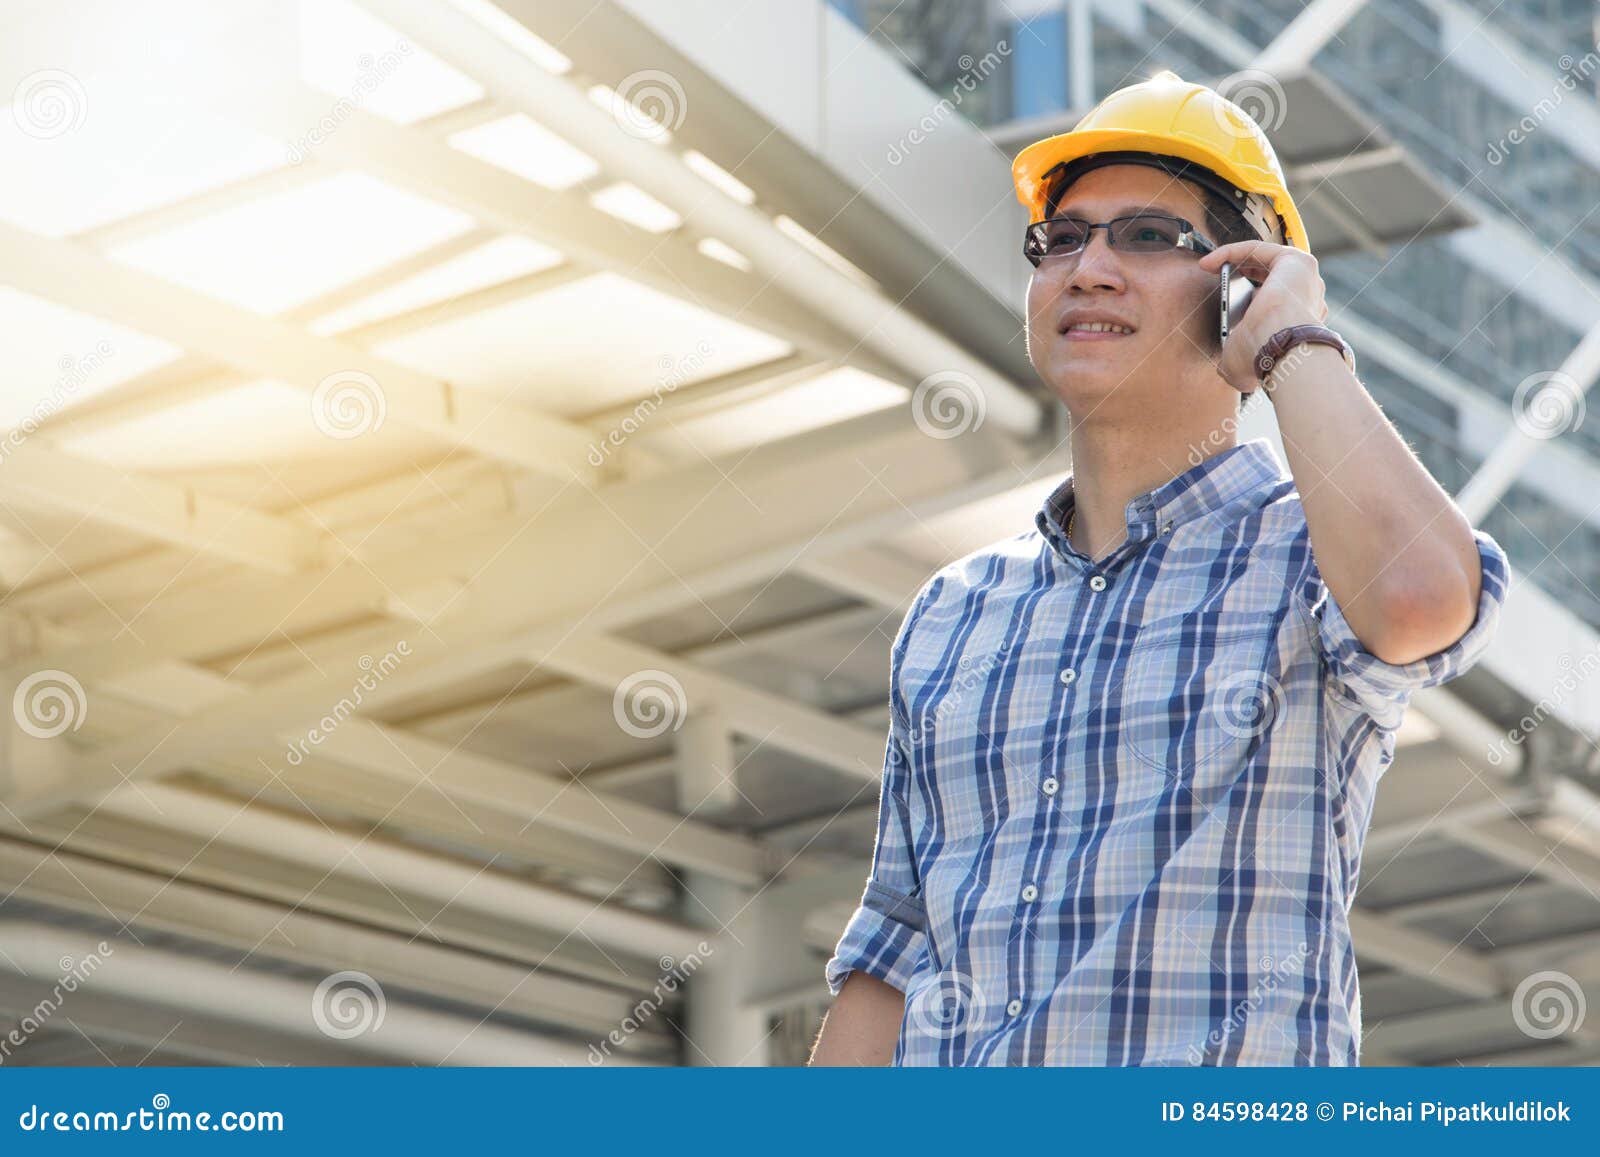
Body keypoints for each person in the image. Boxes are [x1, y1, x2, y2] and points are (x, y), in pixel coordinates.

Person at [808, 70, 1509, 1066]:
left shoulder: (1311, 554)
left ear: (1242, 287)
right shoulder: (953, 611)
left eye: (1146, 236)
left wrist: (1295, 339)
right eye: (1061, 238)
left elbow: (1421, 599)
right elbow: (893, 948)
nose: (1088, 268)